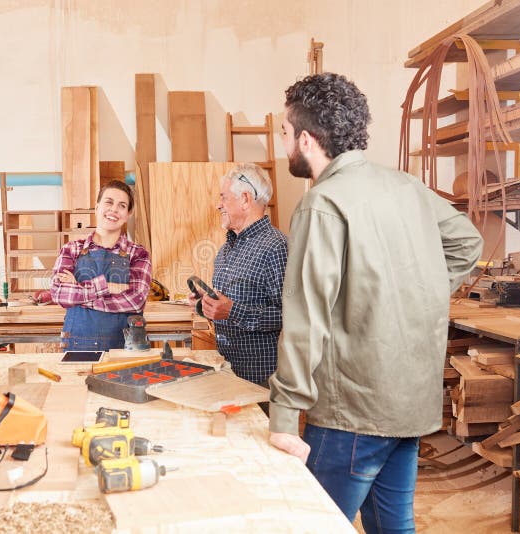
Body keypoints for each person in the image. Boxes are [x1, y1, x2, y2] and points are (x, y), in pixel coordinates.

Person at [268, 73, 483, 532]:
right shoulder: (405, 186)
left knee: (316, 524)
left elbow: (305, 320)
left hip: (352, 411)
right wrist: (415, 292)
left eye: (284, 133)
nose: (281, 141)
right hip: (409, 405)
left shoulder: (321, 203)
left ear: (306, 139)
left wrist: (284, 415)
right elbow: (467, 242)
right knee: (392, 526)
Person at [192, 163, 288, 387]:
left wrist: (233, 311)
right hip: (226, 370)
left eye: (224, 197)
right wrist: (205, 304)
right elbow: (224, 309)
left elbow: (289, 316)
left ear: (245, 199)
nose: (218, 205)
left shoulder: (276, 246)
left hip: (259, 379)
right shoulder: (226, 249)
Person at [51, 180, 152, 350]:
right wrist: (106, 287)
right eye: (109, 202)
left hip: (123, 350)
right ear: (97, 207)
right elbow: (59, 293)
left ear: (128, 214)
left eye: (121, 205)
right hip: (77, 347)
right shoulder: (72, 249)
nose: (113, 209)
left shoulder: (138, 254)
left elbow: (135, 301)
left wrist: (78, 294)